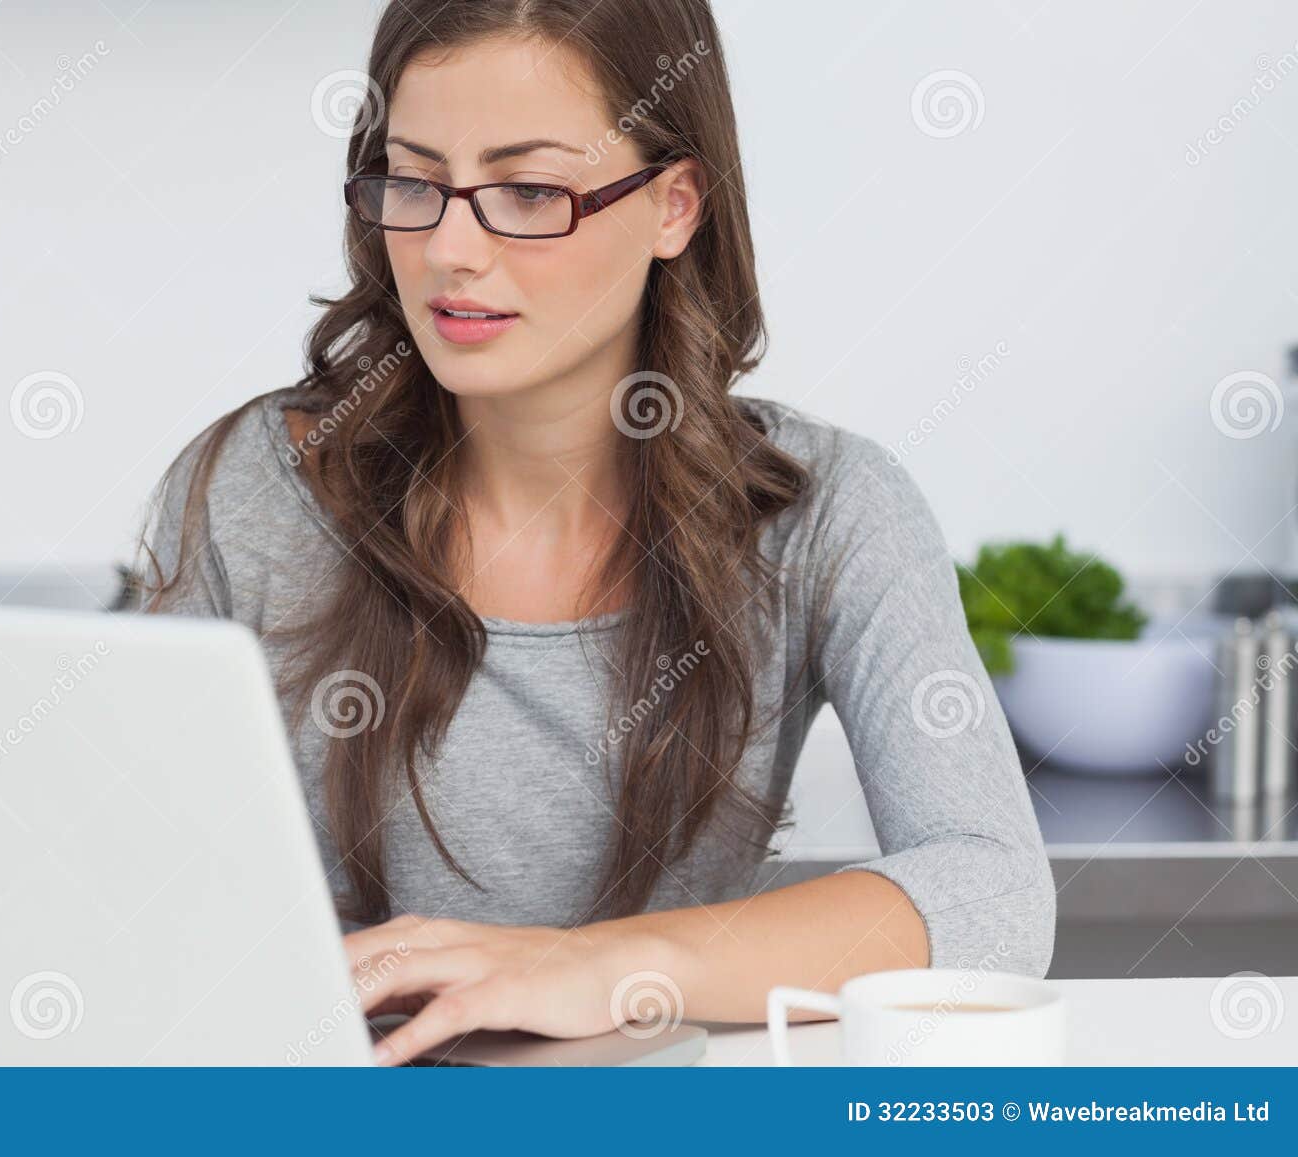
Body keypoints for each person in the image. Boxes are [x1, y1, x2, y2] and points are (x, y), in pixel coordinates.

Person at [134, 0, 1054, 1065]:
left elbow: (990, 888)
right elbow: (122, 879)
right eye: (413, 179)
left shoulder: (826, 509)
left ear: (673, 205)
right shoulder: (248, 488)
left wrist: (602, 964)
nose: (449, 250)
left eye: (528, 190)